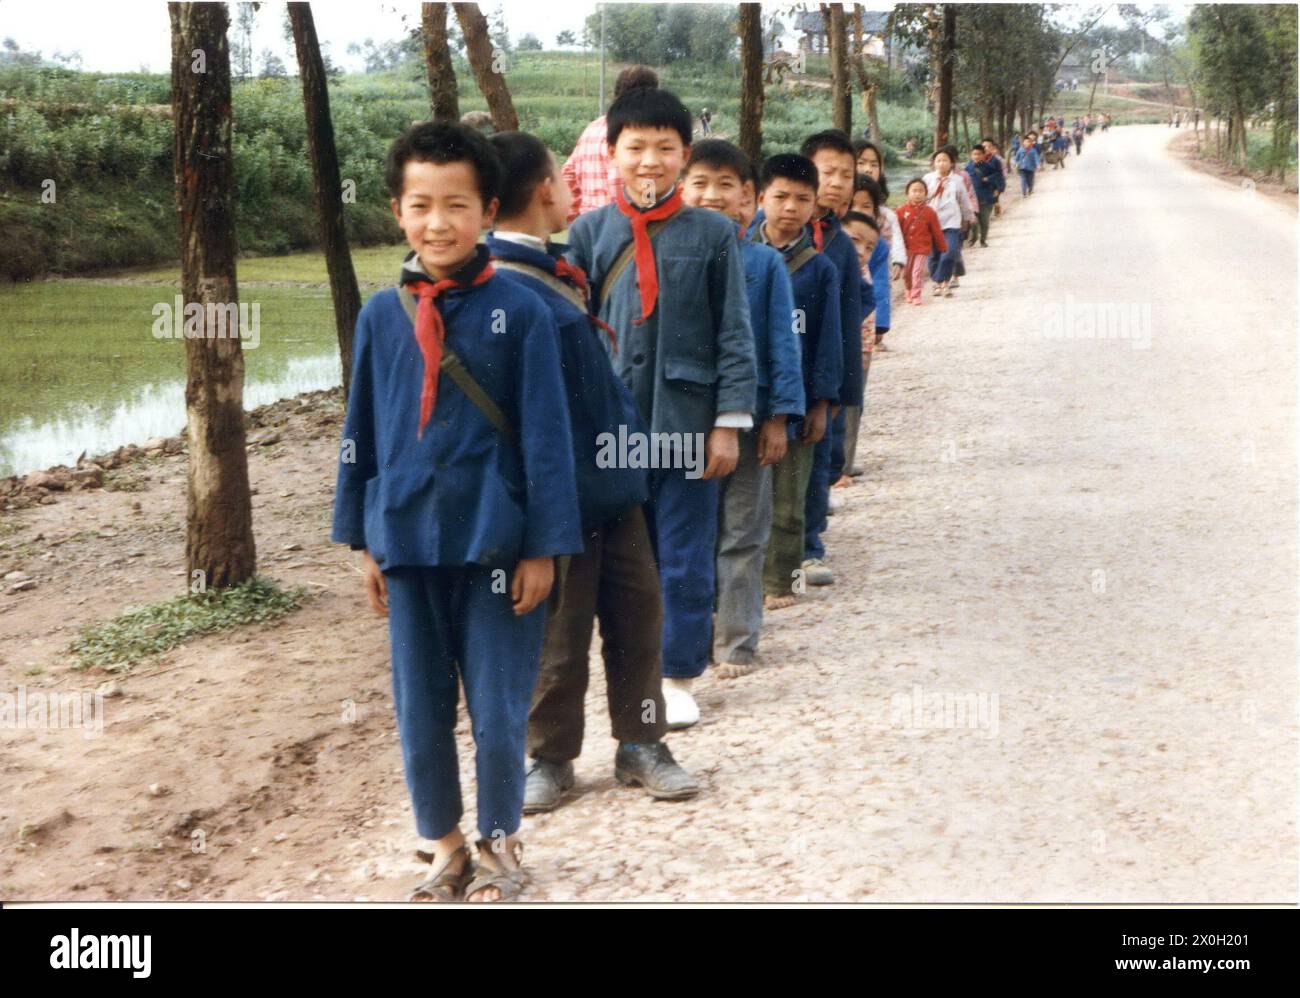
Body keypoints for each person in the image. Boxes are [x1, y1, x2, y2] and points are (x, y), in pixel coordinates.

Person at [331, 121, 584, 902]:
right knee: (420, 707)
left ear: (488, 210)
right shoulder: (382, 315)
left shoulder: (526, 310)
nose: (437, 223)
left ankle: (501, 837)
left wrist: (544, 547)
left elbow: (548, 440)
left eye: (457, 205)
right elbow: (360, 430)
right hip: (405, 539)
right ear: (397, 211)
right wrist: (362, 539)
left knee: (502, 705)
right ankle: (443, 847)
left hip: (497, 543)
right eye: (420, 205)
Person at [483, 131, 700, 815]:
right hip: (559, 497)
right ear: (543, 189)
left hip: (614, 486)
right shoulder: (505, 287)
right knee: (560, 633)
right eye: (563, 174)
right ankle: (549, 756)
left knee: (639, 616)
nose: (576, 182)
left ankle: (642, 742)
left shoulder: (555, 267)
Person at [566, 87, 757, 729]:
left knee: (682, 555)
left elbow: (734, 331)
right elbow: (572, 335)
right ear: (612, 152)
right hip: (611, 432)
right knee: (621, 563)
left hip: (688, 429)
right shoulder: (589, 234)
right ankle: (626, 674)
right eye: (636, 147)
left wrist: (728, 424)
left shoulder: (712, 233)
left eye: (665, 148)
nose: (650, 161)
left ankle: (676, 676)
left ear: (683, 155)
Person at [682, 139, 804, 678]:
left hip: (750, 423)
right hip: (681, 423)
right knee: (685, 534)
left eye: (726, 185)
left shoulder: (764, 265)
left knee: (741, 533)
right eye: (699, 183)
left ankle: (737, 642)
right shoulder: (667, 256)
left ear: (748, 198)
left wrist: (779, 416)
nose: (711, 196)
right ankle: (687, 639)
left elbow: (782, 342)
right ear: (679, 189)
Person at [746, 153, 842, 611]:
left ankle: (781, 579)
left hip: (798, 394)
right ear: (760, 197)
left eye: (802, 199)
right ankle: (739, 577)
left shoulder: (820, 268)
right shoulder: (739, 257)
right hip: (747, 389)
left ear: (814, 206)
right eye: (780, 196)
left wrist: (822, 402)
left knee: (789, 493)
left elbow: (828, 340)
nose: (790, 207)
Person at [798, 129, 864, 588]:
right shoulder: (777, 230)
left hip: (823, 371)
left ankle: (809, 547)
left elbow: (846, 319)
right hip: (781, 369)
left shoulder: (840, 244)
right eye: (828, 172)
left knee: (819, 457)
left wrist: (843, 387)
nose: (837, 182)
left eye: (846, 173)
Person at [561, 65, 659, 223]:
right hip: (623, 227)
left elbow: (568, 175)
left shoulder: (592, 128)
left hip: (589, 224)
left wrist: (575, 218)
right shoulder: (635, 132)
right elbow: (618, 181)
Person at [837, 209, 881, 486]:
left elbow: (867, 316)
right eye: (854, 240)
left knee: (852, 407)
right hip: (837, 349)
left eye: (869, 247)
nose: (861, 251)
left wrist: (864, 353)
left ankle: (844, 465)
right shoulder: (829, 266)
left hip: (858, 350)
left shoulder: (861, 273)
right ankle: (837, 467)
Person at [852, 143, 906, 351]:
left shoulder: (885, 217)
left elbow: (895, 240)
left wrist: (898, 260)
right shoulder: (832, 216)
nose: (867, 169)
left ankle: (876, 332)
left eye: (874, 164)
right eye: (861, 163)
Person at [923, 148, 967, 297]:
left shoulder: (958, 180)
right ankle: (939, 284)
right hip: (931, 223)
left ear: (951, 163)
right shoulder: (927, 179)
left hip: (952, 222)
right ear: (934, 163)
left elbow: (963, 200)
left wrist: (968, 218)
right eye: (938, 160)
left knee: (949, 253)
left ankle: (943, 281)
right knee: (934, 255)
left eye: (945, 160)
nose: (941, 163)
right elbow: (919, 199)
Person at [895, 178, 946, 306]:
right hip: (906, 248)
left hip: (922, 247)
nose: (918, 194)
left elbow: (937, 231)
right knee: (906, 273)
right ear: (908, 193)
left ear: (925, 194)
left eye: (921, 191)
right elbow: (895, 230)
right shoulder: (901, 211)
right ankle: (908, 290)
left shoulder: (930, 212)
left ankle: (916, 294)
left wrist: (942, 246)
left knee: (917, 271)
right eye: (914, 191)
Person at [965, 144, 1004, 248]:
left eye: (979, 154)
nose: (976, 156)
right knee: (973, 221)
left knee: (985, 222)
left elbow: (997, 174)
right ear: (971, 155)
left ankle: (983, 240)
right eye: (974, 154)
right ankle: (973, 238)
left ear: (983, 155)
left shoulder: (988, 166)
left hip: (986, 199)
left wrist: (988, 179)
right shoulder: (968, 167)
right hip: (972, 200)